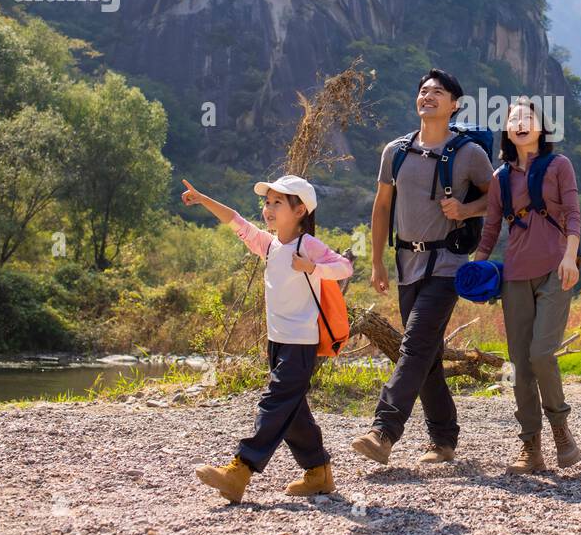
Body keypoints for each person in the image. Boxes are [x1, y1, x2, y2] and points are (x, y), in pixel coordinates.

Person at [351, 69, 493, 465]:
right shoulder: (394, 151)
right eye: (423, 91)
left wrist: (466, 209)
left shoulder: (469, 154)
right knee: (426, 354)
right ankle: (444, 439)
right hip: (405, 263)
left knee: (412, 346)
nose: (428, 96)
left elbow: (497, 201)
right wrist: (377, 260)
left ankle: (383, 431)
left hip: (447, 264)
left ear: (455, 105)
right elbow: (381, 207)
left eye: (438, 92)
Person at [184, 174, 353, 503]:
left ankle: (240, 470)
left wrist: (312, 268)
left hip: (301, 343)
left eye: (278, 202)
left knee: (275, 400)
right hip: (276, 341)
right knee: (292, 411)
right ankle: (319, 472)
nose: (268, 208)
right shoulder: (270, 245)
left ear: (300, 210)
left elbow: (344, 267)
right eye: (267, 202)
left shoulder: (307, 246)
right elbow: (237, 221)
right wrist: (204, 199)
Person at [472, 98, 581, 473]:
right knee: (519, 364)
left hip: (555, 270)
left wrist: (570, 256)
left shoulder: (560, 165)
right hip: (514, 276)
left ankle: (561, 430)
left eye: (528, 117)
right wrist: (477, 264)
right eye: (513, 118)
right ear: (507, 130)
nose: (520, 122)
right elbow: (490, 229)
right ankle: (530, 447)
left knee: (541, 354)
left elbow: (572, 214)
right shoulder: (501, 177)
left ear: (541, 127)